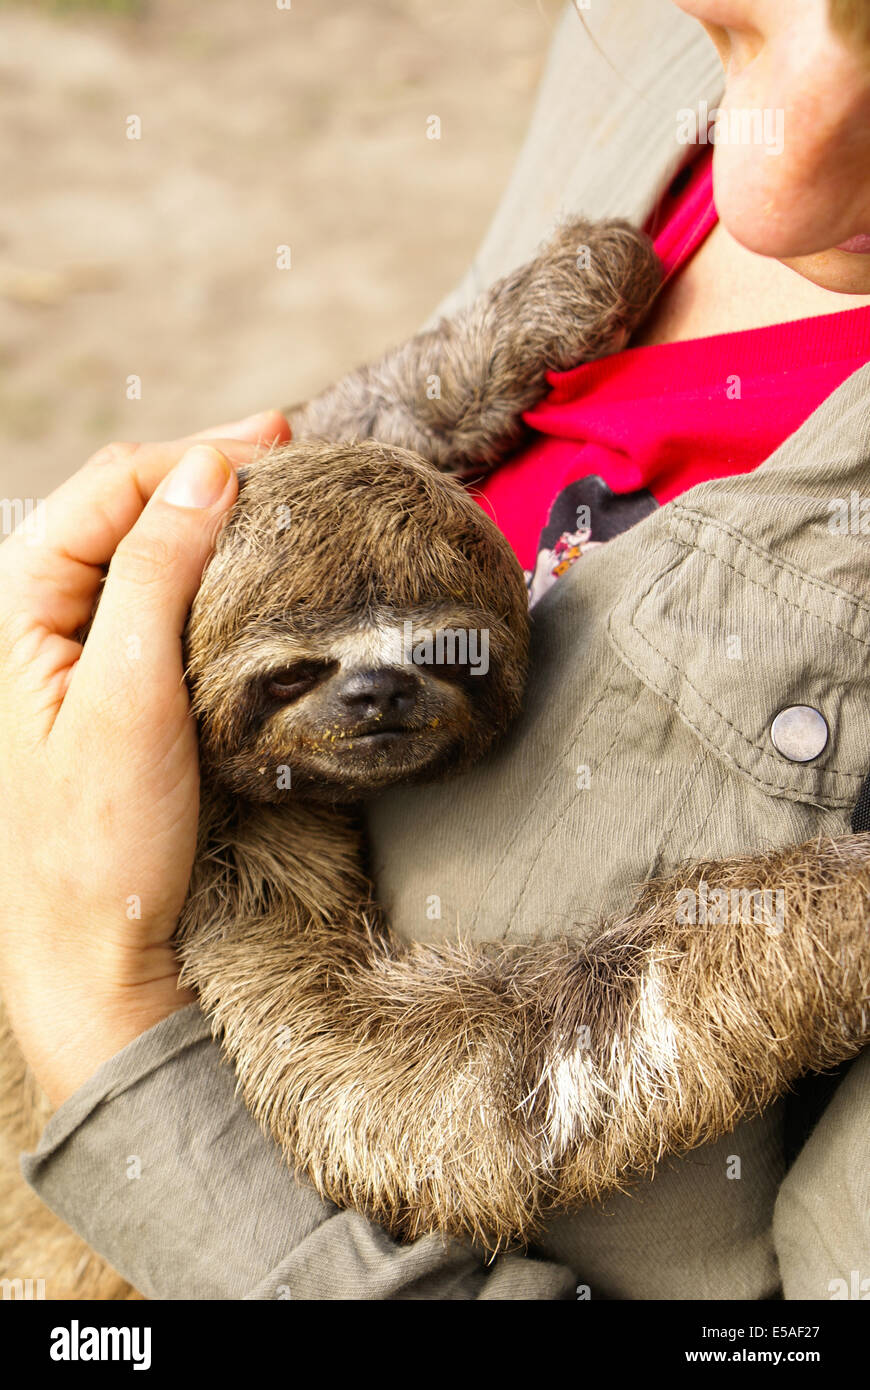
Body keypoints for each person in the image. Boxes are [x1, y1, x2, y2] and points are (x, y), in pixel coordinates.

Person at [1, 0, 868, 1300]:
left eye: (449, 660)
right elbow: (312, 465)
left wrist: (90, 988)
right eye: (304, 684)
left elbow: (461, 1098)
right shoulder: (638, 53)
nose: (379, 707)